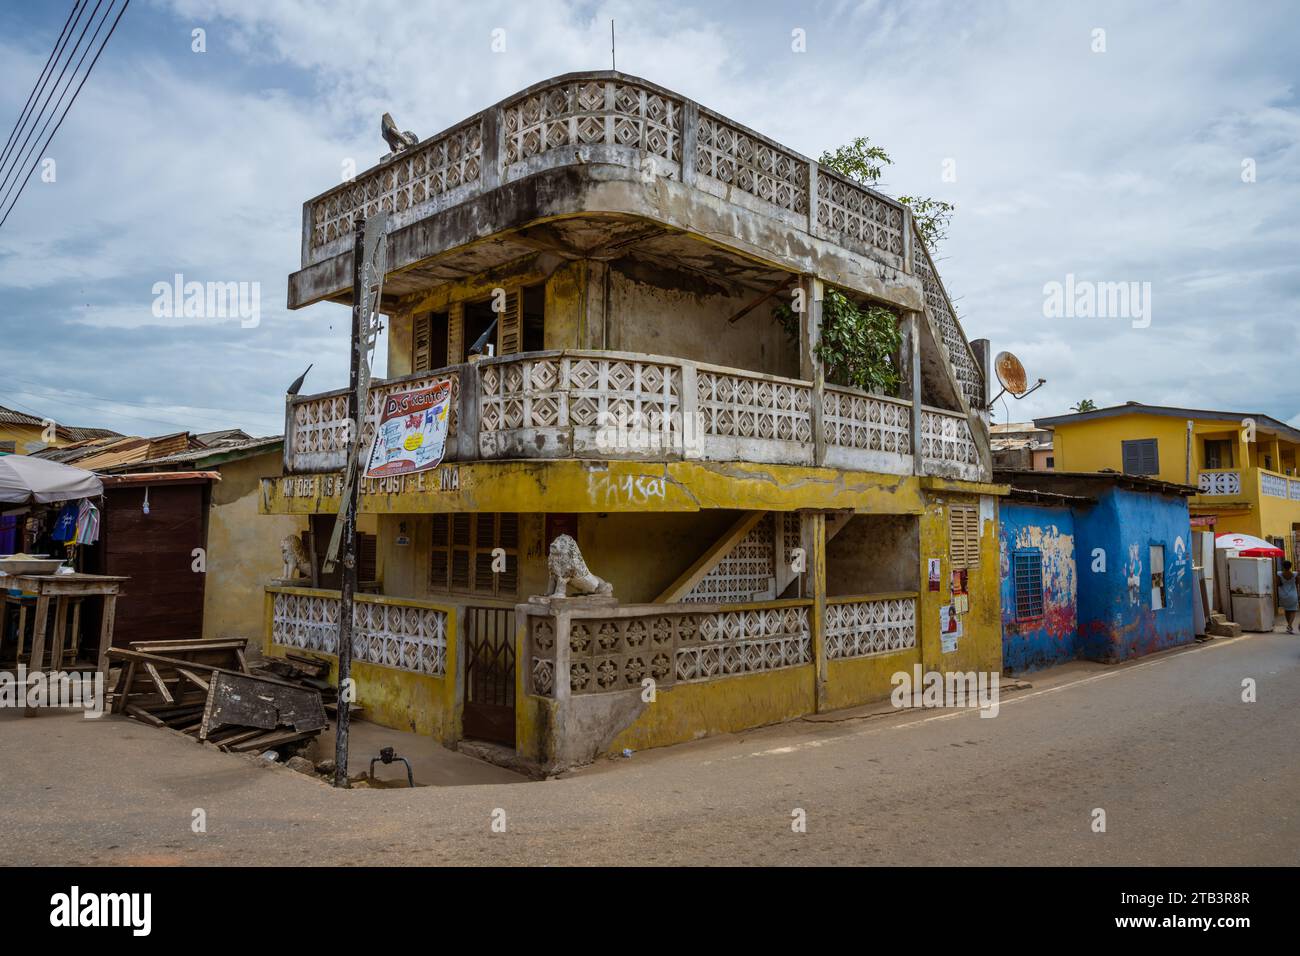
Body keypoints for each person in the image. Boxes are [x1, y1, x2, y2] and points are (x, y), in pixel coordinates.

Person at [1278, 561, 1299, 634]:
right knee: (1293, 610)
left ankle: (1289, 627)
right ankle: (1290, 625)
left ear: (1283, 566)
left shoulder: (1279, 574)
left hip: (1283, 595)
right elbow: (1297, 583)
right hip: (1293, 594)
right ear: (1290, 566)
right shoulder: (1295, 574)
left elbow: (1278, 584)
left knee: (1287, 610)